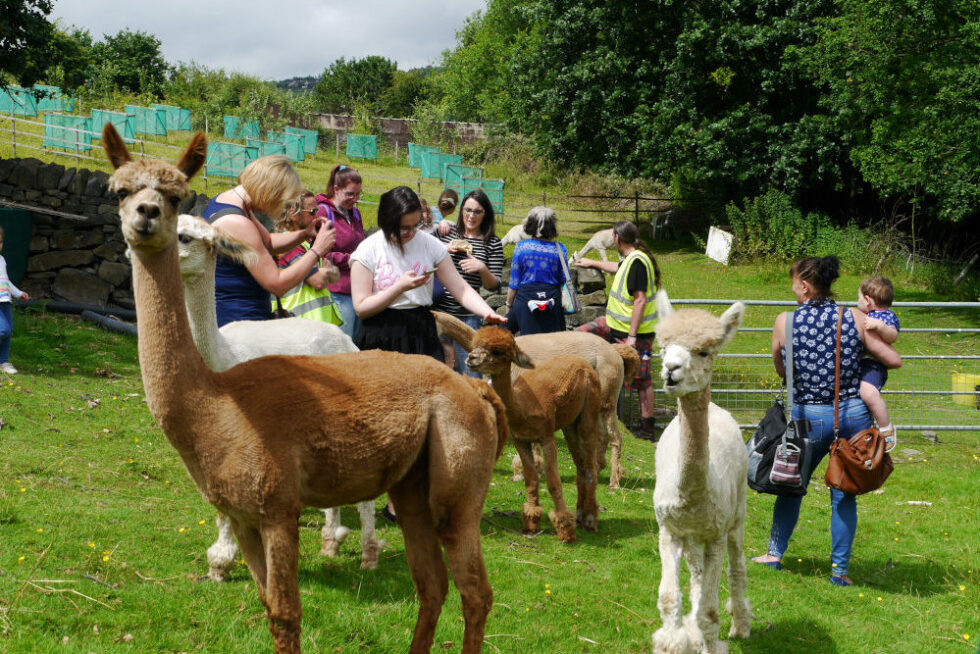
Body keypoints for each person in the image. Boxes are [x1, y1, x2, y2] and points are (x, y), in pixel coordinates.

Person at [350, 186, 506, 521]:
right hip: (380, 334)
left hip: (420, 333)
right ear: (387, 221)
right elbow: (361, 307)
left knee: (422, 420)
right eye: (403, 228)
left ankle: (404, 503)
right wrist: (399, 287)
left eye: (415, 225)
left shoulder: (430, 244)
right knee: (381, 421)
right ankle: (371, 491)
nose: (410, 233)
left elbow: (461, 287)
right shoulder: (368, 250)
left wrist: (485, 312)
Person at [751, 256, 901, 587]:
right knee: (844, 493)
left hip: (806, 417)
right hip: (852, 415)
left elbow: (781, 370)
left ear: (804, 285)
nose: (792, 288)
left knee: (790, 487)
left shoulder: (784, 322)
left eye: (793, 283)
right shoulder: (855, 317)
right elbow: (891, 358)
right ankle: (839, 572)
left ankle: (774, 555)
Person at [202, 155, 336, 327]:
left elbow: (268, 242)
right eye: (280, 200)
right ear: (269, 191)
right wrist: (316, 250)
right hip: (238, 322)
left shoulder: (229, 201)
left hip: (237, 318)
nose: (278, 207)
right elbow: (277, 284)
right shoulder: (237, 223)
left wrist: (305, 234)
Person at [575, 220, 664, 441]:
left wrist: (632, 337)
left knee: (642, 381)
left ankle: (647, 430)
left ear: (616, 238)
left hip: (635, 333)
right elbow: (617, 268)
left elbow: (640, 301)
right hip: (612, 324)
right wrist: (592, 263)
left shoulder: (637, 263)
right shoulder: (630, 258)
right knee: (577, 337)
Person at [433, 190, 504, 376]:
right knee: (438, 371)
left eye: (477, 212)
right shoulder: (446, 233)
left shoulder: (493, 243)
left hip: (468, 317)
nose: (471, 216)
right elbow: (419, 243)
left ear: (485, 214)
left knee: (471, 371)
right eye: (467, 210)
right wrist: (438, 226)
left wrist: (482, 268)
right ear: (461, 210)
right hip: (439, 313)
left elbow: (494, 285)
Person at [273, 191, 343, 325]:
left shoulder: (305, 245)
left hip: (312, 327)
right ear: (293, 214)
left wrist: (325, 272)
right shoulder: (287, 245)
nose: (317, 216)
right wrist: (323, 270)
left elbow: (335, 276)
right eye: (313, 212)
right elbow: (317, 281)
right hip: (299, 326)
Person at [315, 164, 366, 340]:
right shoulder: (323, 212)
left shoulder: (355, 213)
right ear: (336, 189)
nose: (355, 199)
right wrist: (352, 260)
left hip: (358, 288)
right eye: (350, 194)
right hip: (337, 290)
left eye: (358, 194)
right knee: (342, 344)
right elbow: (316, 252)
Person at [504, 206, 569, 335]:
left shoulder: (521, 247)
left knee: (501, 332)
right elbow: (565, 280)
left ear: (530, 225)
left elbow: (514, 282)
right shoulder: (561, 249)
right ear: (552, 227)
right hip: (553, 304)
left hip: (526, 303)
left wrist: (508, 305)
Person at [857, 276, 900, 451]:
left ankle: (886, 428)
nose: (857, 302)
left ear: (867, 300)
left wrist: (880, 326)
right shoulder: (862, 316)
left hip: (873, 365)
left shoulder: (886, 316)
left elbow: (893, 336)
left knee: (868, 393)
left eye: (858, 298)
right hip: (859, 364)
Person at [0, 226, 29, 375]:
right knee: (2, 330)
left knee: (8, 332)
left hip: (5, 301)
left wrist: (18, 293)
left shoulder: (2, 260)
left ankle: (3, 362)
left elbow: (6, 281)